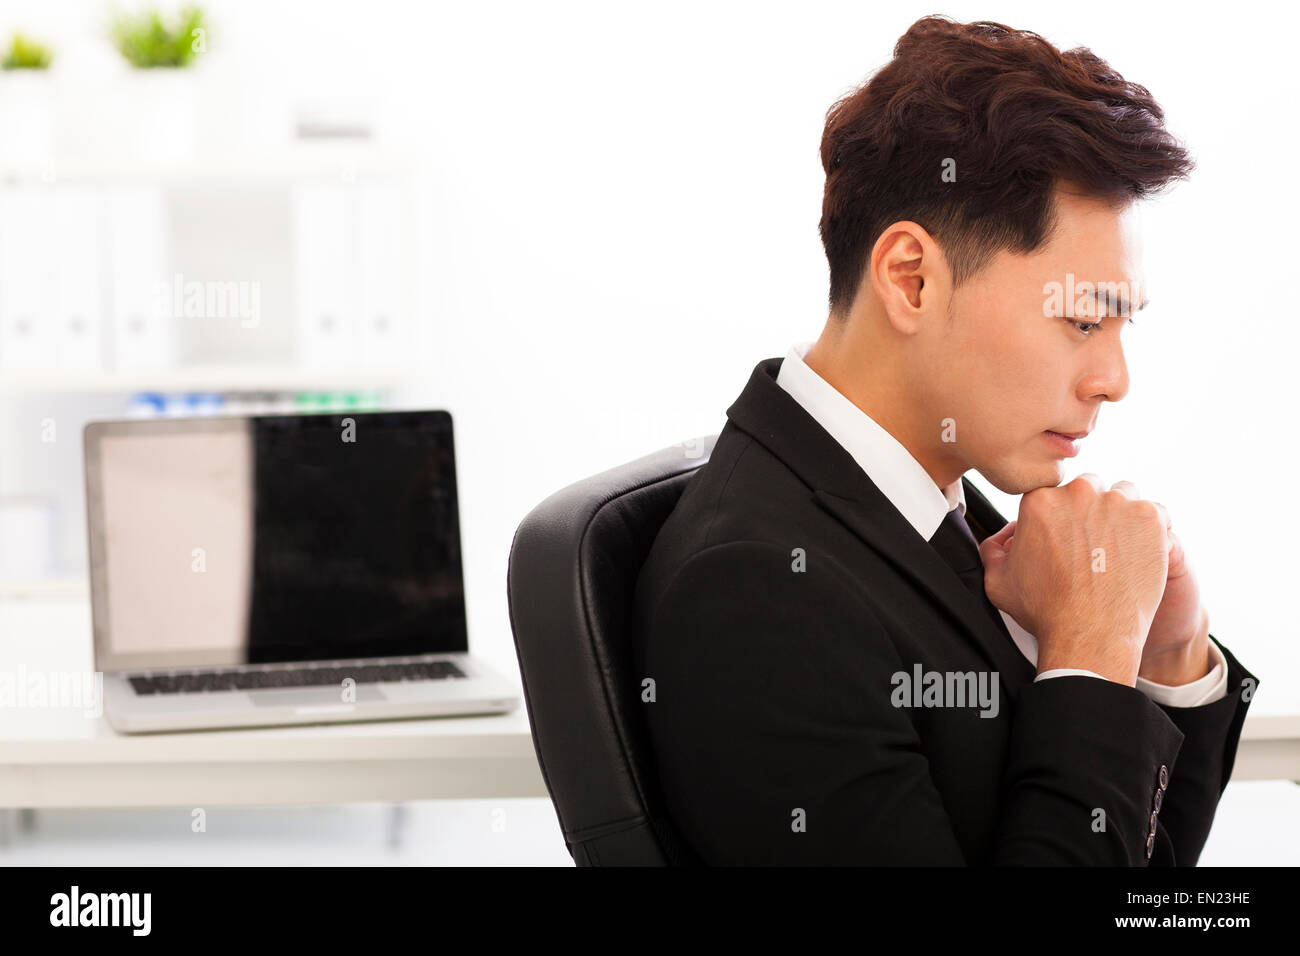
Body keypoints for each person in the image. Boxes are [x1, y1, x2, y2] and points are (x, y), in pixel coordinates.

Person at [633, 14, 1256, 865]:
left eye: (1123, 325)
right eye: (1080, 318)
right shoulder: (759, 590)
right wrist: (1092, 652)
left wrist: (1167, 652)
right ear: (912, 279)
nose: (1114, 379)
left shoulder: (939, 509)